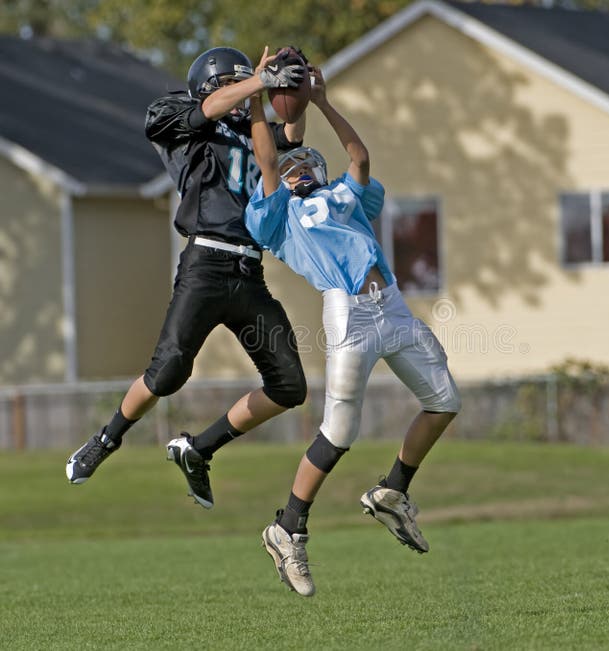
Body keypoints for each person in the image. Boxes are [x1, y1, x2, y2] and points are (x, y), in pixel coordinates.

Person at [245, 67, 461, 597]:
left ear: (318, 168)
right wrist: (255, 98)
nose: (295, 171)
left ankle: (392, 492)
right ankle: (287, 527)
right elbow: (268, 160)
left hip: (392, 305)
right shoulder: (281, 218)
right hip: (349, 316)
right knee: (339, 431)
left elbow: (359, 158)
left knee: (444, 401)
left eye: (304, 163)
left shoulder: (345, 194)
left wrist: (321, 101)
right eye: (288, 169)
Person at [65, 46, 310, 509]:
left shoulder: (248, 125)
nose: (241, 94)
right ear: (209, 84)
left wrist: (303, 92)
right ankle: (106, 439)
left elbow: (291, 136)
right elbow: (207, 111)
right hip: (206, 265)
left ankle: (198, 450)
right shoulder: (174, 114)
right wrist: (258, 81)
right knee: (168, 373)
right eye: (233, 83)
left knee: (290, 386)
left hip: (249, 272)